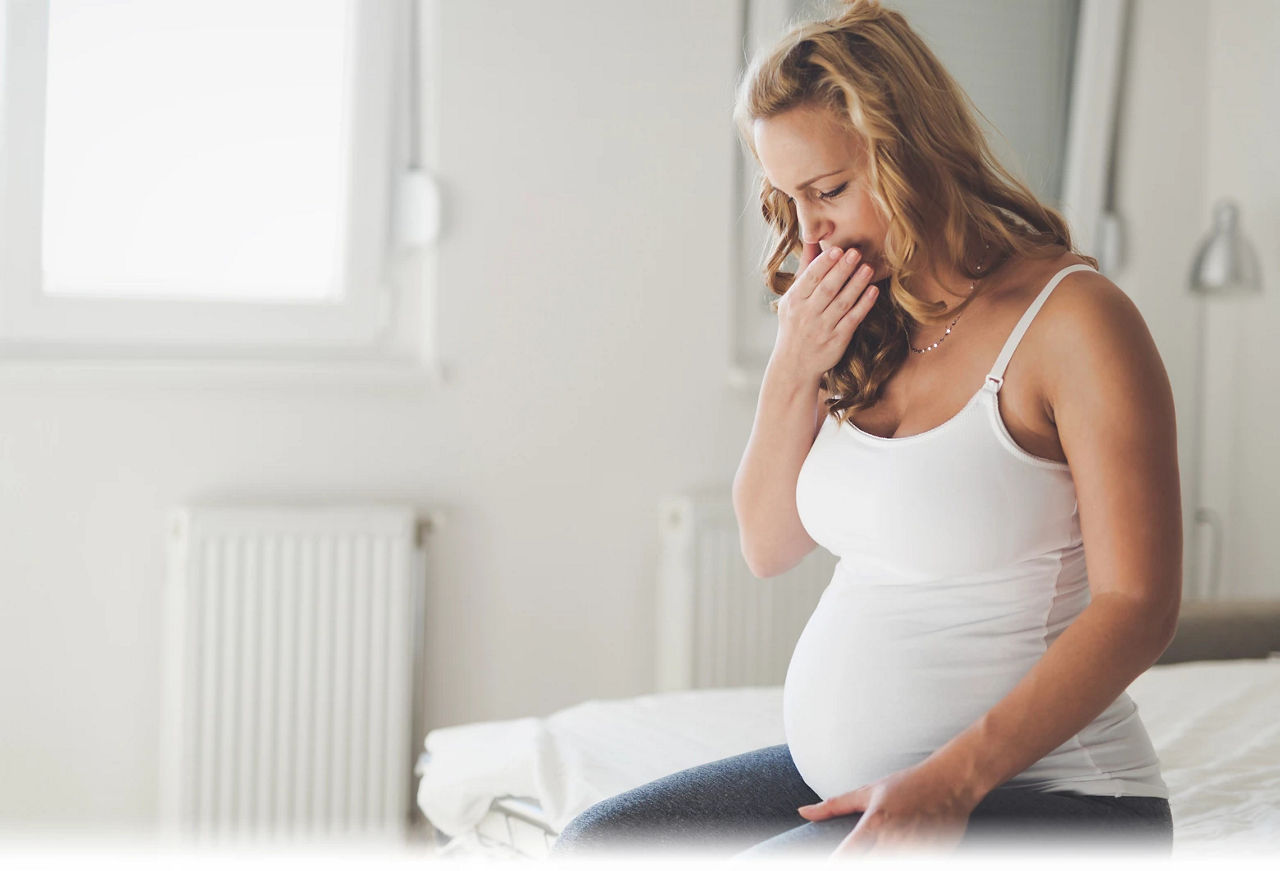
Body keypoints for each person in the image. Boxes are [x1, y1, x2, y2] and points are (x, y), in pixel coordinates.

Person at [551, 0, 1179, 859]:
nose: (810, 236)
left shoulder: (1076, 325)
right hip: (861, 780)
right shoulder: (868, 318)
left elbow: (1137, 607)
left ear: (910, 153)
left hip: (1053, 797)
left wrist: (947, 785)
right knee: (594, 846)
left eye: (830, 192)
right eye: (787, 200)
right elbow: (769, 544)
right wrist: (793, 364)